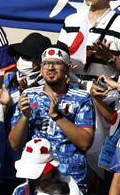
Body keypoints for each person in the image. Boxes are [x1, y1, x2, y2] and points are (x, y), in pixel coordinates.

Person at [8, 44, 94, 187]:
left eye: (56, 63)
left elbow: (85, 143)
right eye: (46, 63)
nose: (50, 68)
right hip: (37, 176)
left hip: (70, 178)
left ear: (67, 67)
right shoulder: (29, 95)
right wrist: (24, 116)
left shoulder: (82, 98)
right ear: (41, 68)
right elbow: (15, 144)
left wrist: (57, 116)